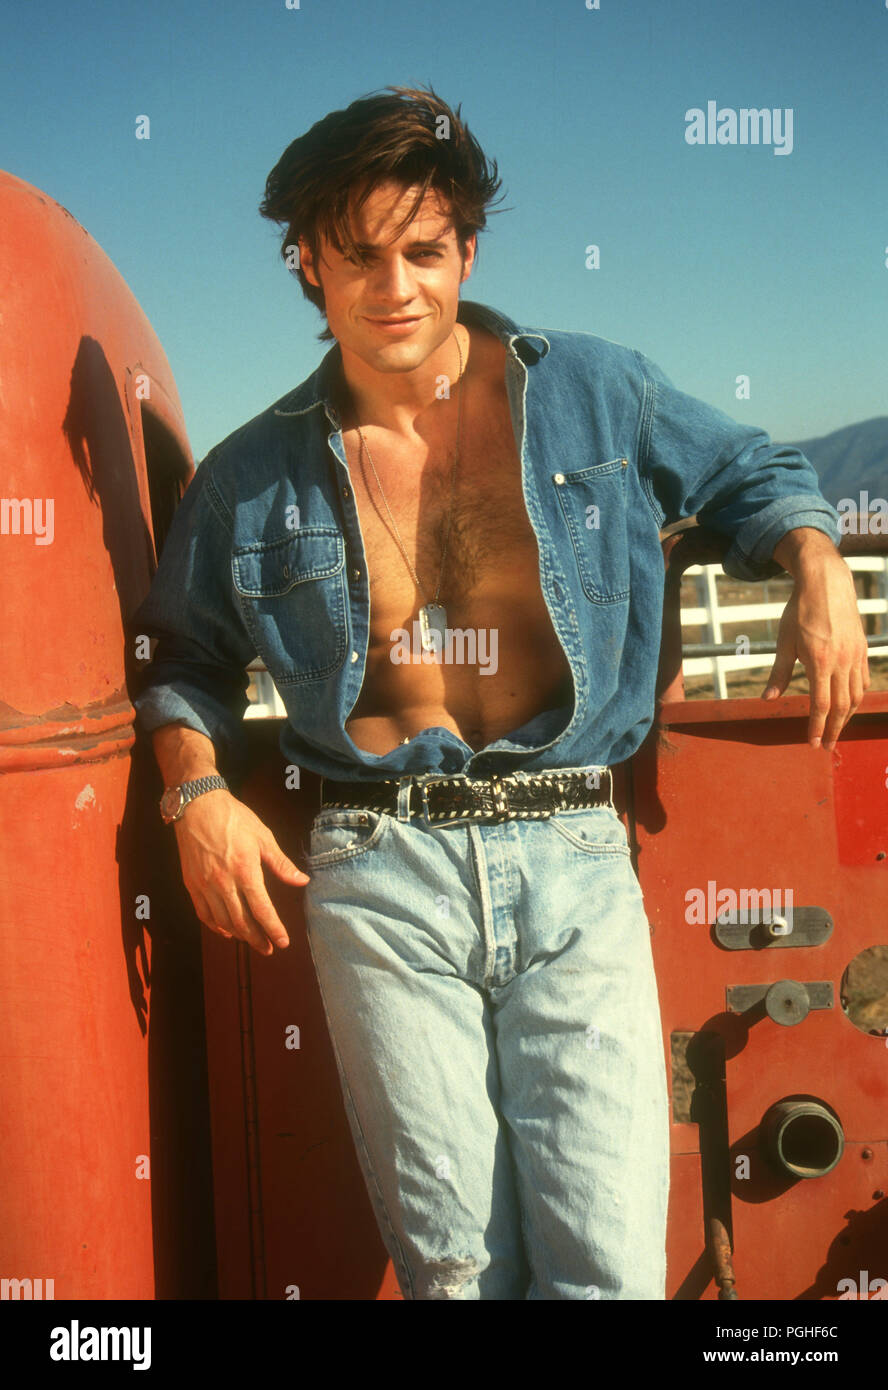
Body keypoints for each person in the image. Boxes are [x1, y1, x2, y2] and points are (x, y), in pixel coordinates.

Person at [129, 86, 869, 1300]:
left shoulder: (592, 391)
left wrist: (816, 556)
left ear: (467, 249)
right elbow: (182, 656)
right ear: (307, 264)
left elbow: (749, 467)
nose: (397, 286)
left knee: (606, 1271)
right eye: (358, 256)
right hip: (378, 874)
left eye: (424, 251)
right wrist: (195, 789)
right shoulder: (247, 479)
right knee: (457, 1275)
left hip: (575, 853)